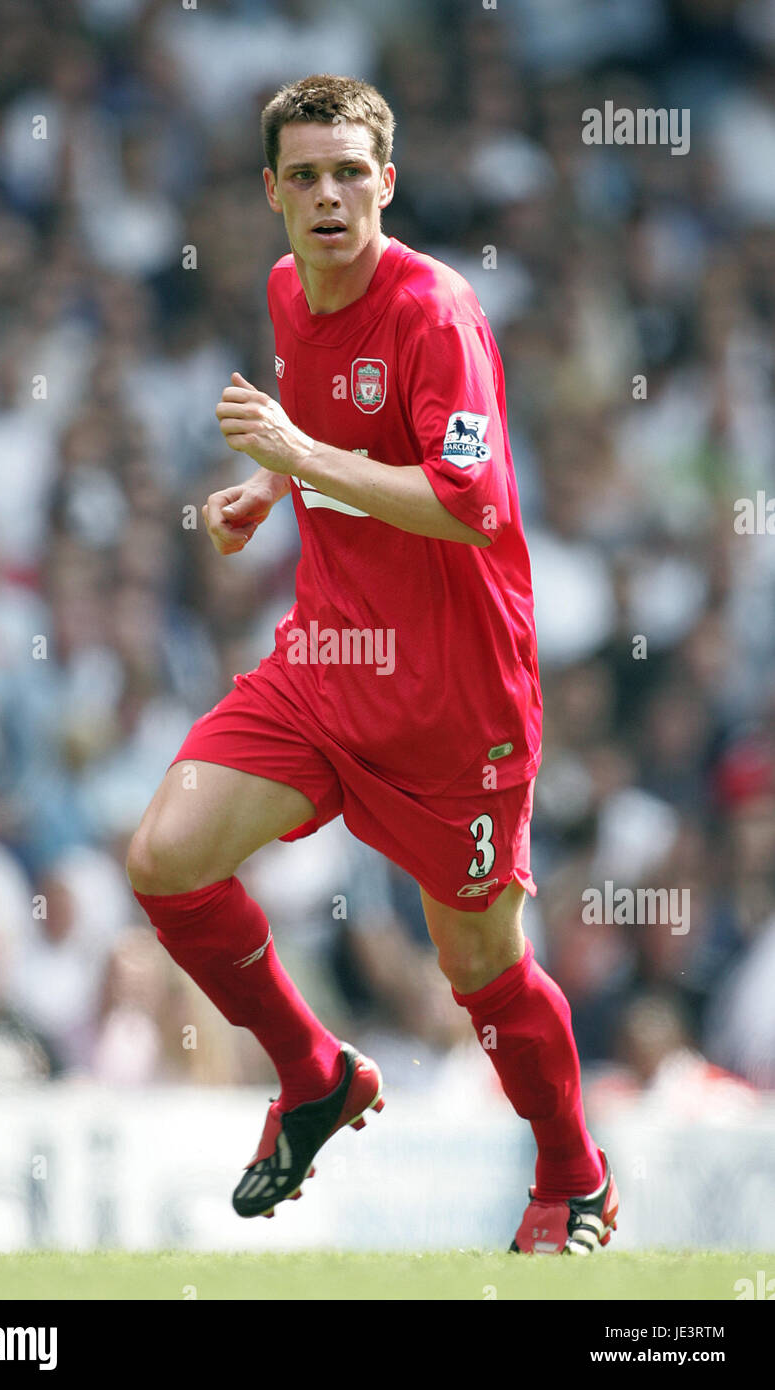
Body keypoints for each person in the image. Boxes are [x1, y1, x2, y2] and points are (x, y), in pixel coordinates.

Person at [126, 73, 618, 1255]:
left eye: (350, 171)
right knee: (164, 859)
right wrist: (270, 484)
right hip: (326, 662)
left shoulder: (435, 311)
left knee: (479, 965)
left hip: (457, 702)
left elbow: (470, 508)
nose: (329, 193)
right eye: (304, 175)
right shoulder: (288, 290)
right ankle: (311, 1074)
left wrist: (293, 449)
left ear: (386, 182)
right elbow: (334, 428)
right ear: (272, 194)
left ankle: (573, 1178)